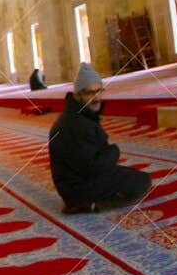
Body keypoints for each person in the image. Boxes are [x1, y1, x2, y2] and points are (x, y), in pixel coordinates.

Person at [48, 63, 152, 214]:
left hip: (75, 181)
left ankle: (86, 201)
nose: (96, 98)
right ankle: (87, 204)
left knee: (130, 175)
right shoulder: (76, 124)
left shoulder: (78, 115)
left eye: (99, 91)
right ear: (78, 95)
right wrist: (114, 151)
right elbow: (94, 167)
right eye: (90, 93)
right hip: (77, 188)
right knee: (142, 182)